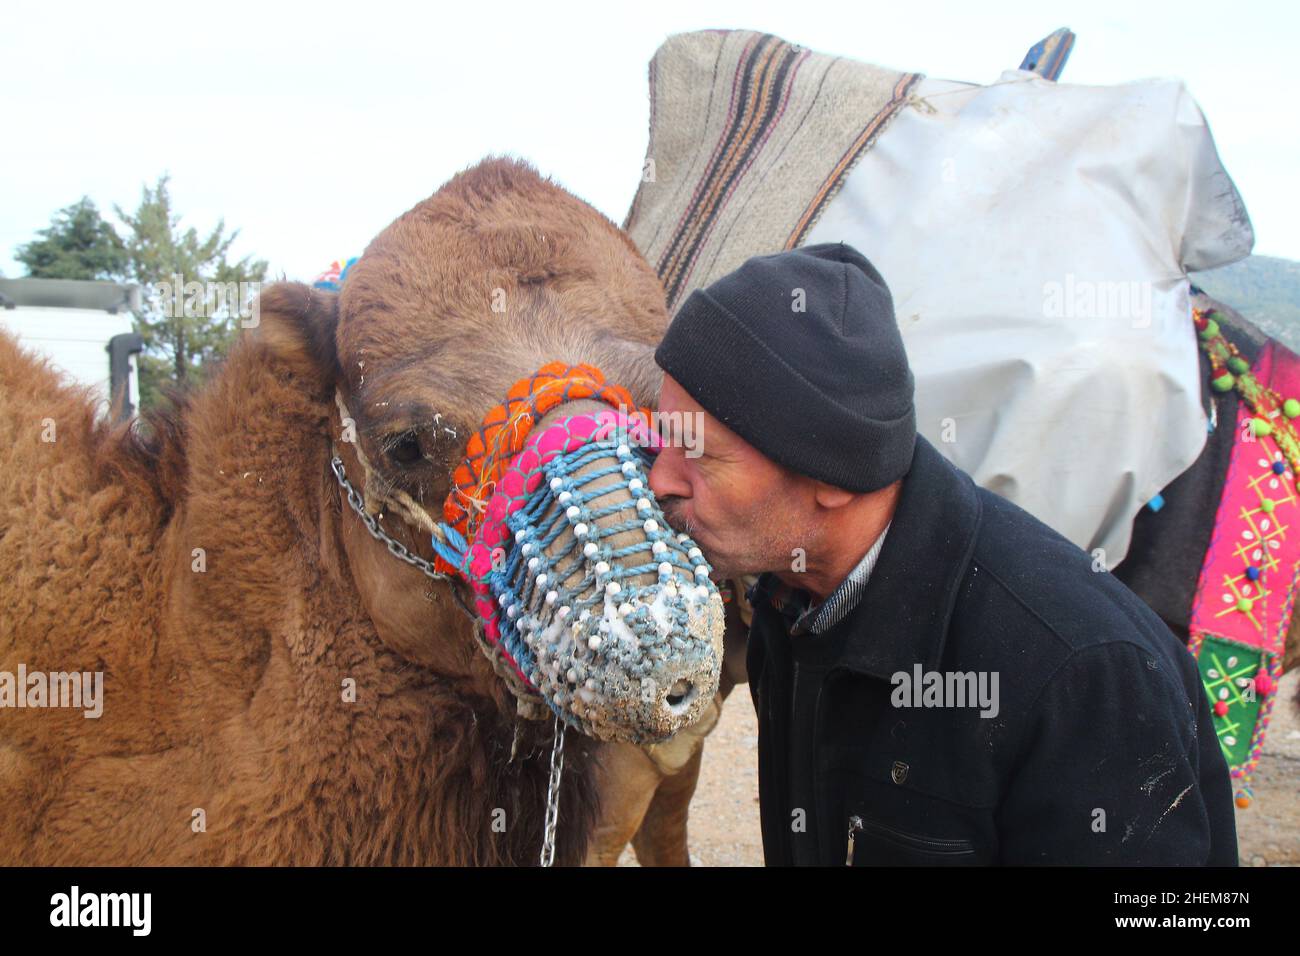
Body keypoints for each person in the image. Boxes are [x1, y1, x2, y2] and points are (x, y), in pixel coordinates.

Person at [646, 242, 1238, 865]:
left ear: (834, 476)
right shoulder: (789, 608)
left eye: (701, 454)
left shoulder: (1081, 674)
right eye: (663, 438)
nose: (662, 478)